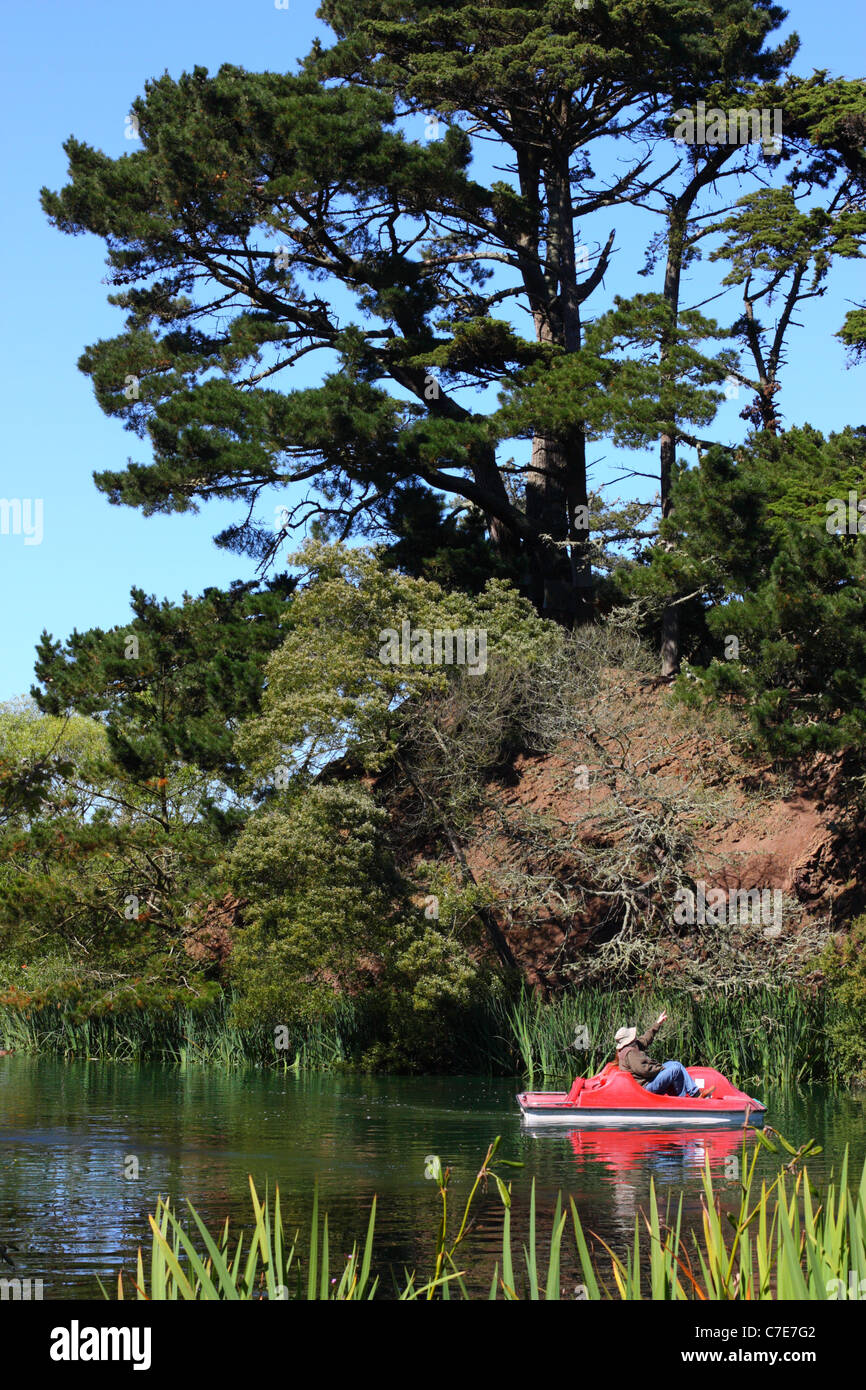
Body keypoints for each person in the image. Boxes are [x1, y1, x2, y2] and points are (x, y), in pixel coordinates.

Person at [614, 1011, 714, 1098]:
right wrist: (660, 1069)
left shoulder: (631, 1047)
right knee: (675, 1069)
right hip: (646, 1086)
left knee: (675, 1064)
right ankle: (687, 1098)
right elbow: (644, 1070)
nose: (636, 1037)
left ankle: (693, 1094)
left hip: (648, 1080)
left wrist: (658, 1023)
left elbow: (645, 1040)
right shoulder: (630, 1053)